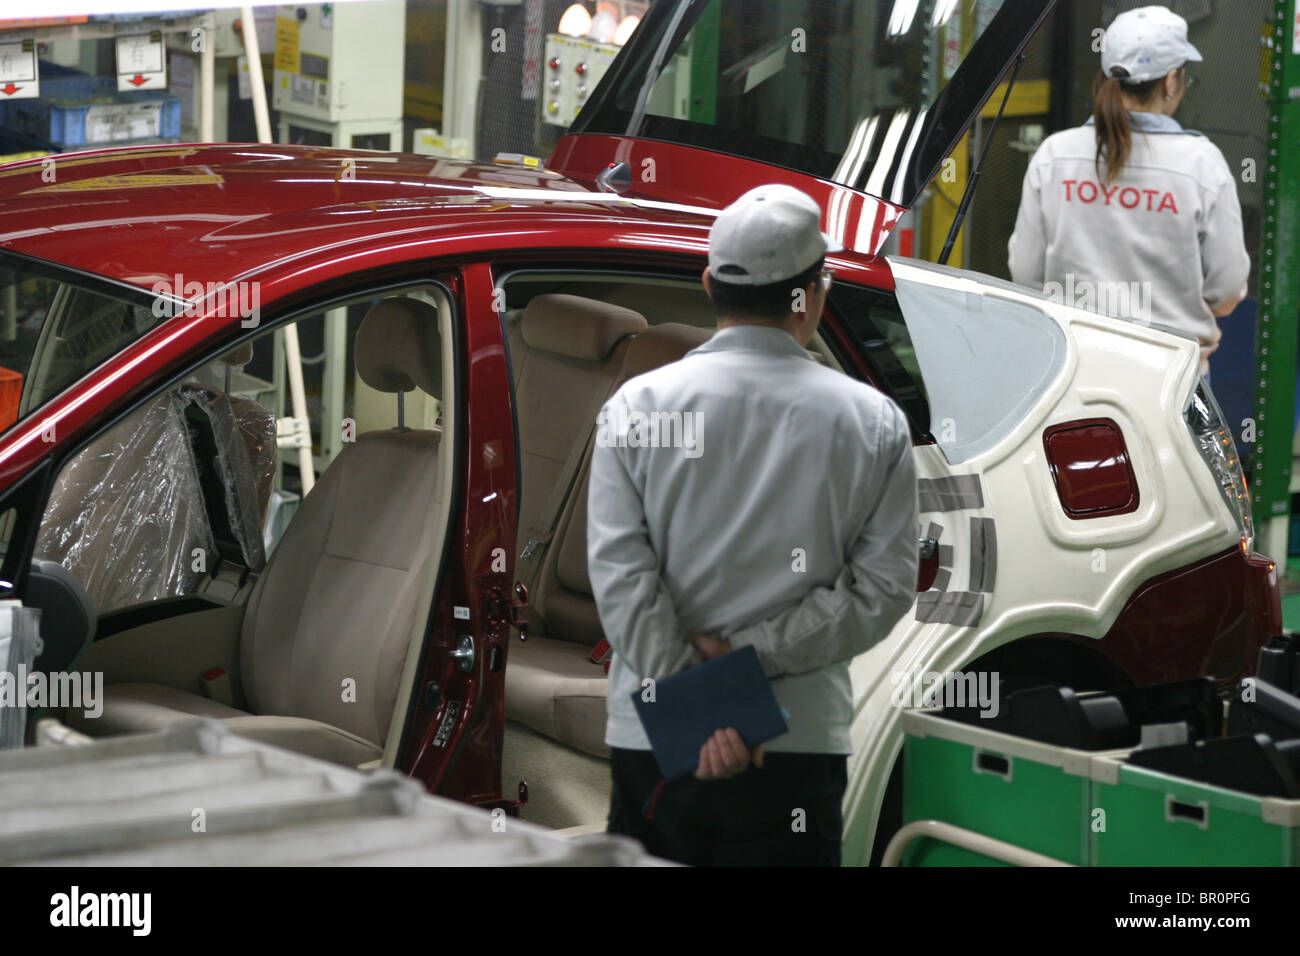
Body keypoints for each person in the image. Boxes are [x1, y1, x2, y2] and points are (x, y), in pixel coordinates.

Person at [586, 183, 919, 867]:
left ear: (710, 284)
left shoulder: (636, 407)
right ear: (815, 294)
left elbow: (620, 580)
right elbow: (884, 590)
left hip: (658, 734)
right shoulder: (873, 422)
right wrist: (750, 664)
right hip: (794, 744)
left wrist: (698, 699)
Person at [1007, 4, 1250, 378]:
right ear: (1171, 81)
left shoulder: (1055, 155)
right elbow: (1228, 289)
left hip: (1068, 373)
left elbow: (1025, 274)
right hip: (1169, 379)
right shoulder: (1202, 164)